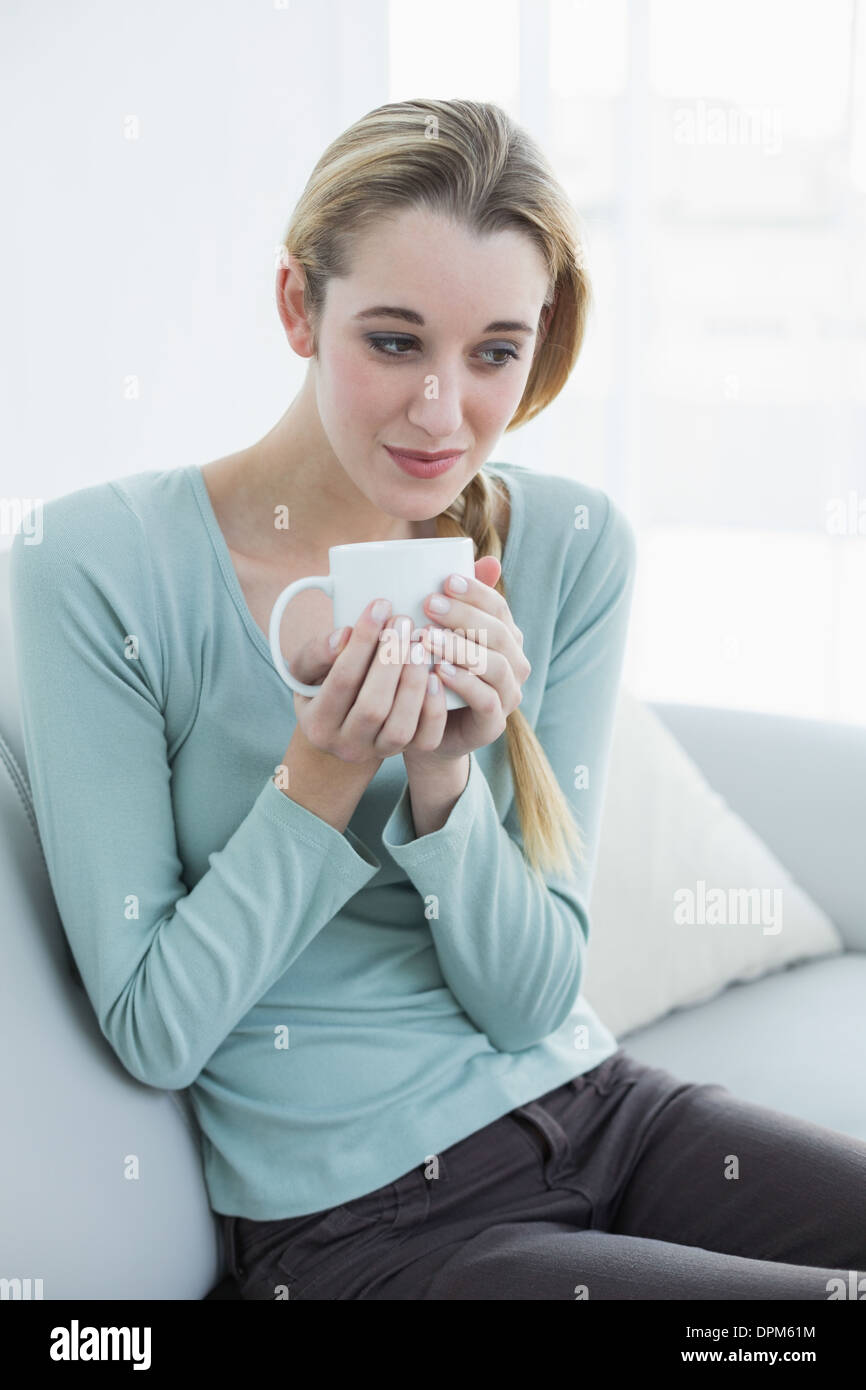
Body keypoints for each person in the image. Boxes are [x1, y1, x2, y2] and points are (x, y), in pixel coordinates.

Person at [10, 98, 865, 1301]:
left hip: (603, 1110)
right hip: (364, 1232)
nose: (440, 414)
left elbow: (527, 1002)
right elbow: (157, 1026)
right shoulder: (96, 566)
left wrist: (445, 784)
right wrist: (319, 778)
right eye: (395, 341)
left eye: (495, 353)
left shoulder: (567, 545)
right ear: (297, 307)